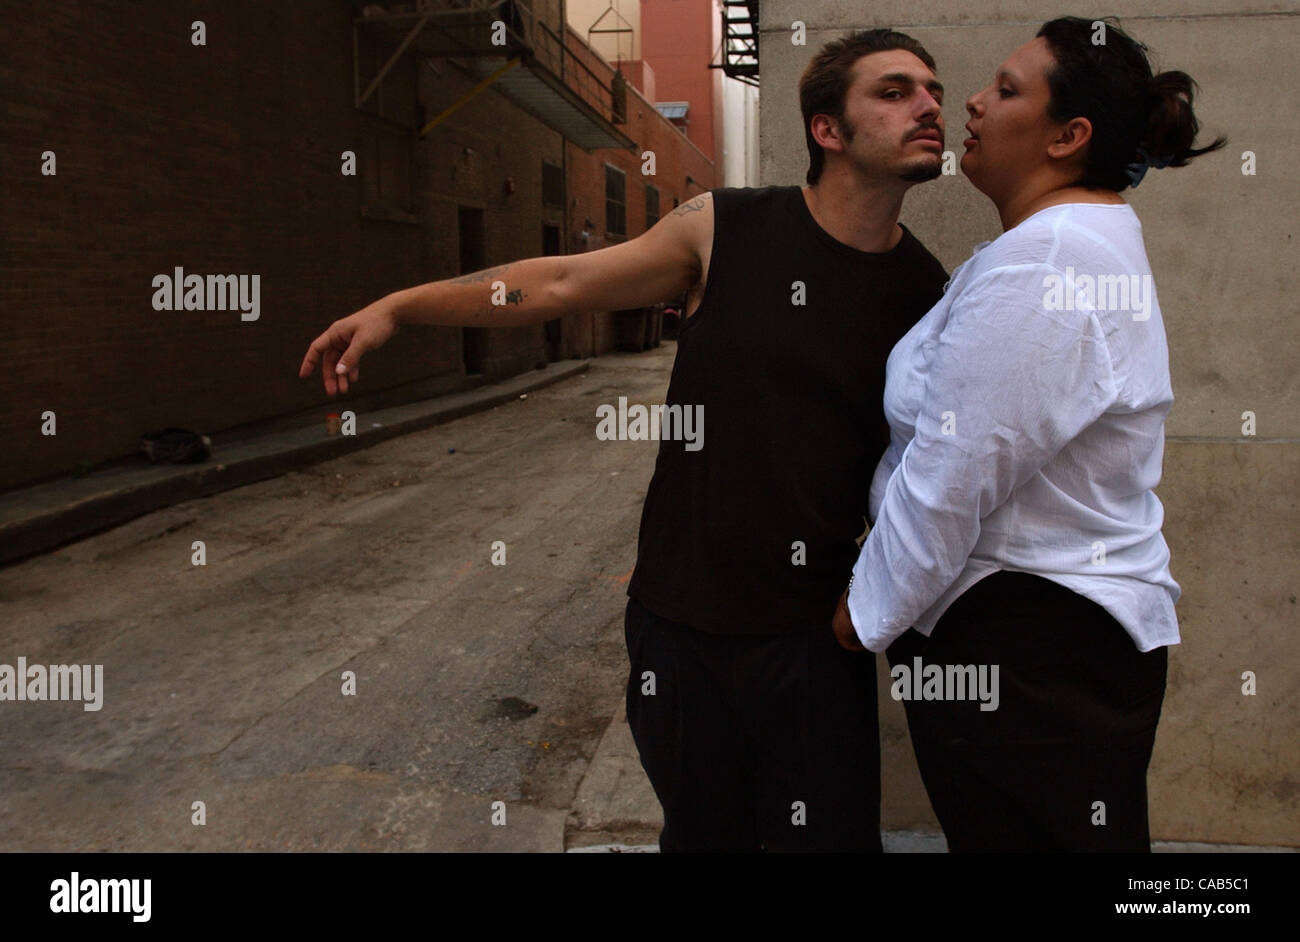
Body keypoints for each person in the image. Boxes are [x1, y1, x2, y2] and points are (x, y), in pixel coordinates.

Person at [302, 29, 950, 852]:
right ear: (827, 129)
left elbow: (926, 473)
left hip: (816, 642)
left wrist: (874, 605)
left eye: (931, 89)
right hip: (683, 632)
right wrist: (399, 304)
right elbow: (561, 281)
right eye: (894, 91)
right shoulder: (727, 227)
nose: (927, 105)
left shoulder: (927, 291)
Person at [832, 16, 1225, 852]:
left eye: (1007, 91)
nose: (969, 102)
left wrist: (859, 616)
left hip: (1028, 648)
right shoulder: (1062, 243)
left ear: (1068, 136)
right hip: (1044, 643)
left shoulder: (1050, 259)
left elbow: (953, 477)